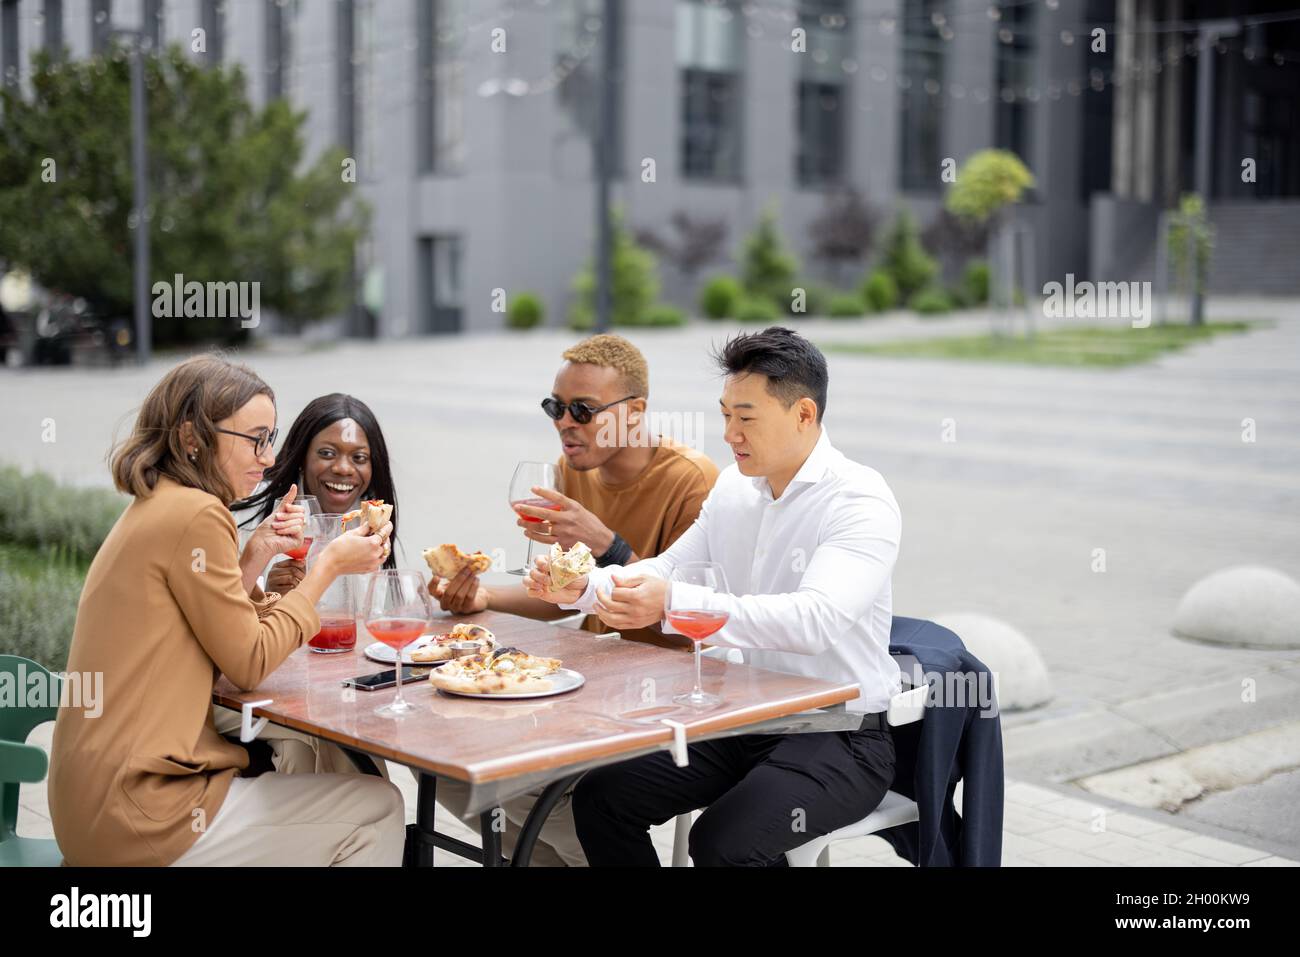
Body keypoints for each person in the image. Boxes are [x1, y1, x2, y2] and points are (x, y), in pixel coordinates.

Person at [526, 327, 902, 867]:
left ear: (803, 414)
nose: (730, 433)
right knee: (602, 798)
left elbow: (812, 621)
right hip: (743, 720)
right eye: (725, 414)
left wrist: (670, 603)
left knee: (722, 841)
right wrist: (581, 587)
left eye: (746, 418)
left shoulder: (859, 499)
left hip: (837, 731)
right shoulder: (733, 488)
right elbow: (664, 571)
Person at [48, 354, 406, 866]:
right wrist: (327, 568)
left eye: (271, 438)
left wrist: (255, 555)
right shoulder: (198, 512)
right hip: (142, 811)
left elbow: (205, 635)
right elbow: (248, 662)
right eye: (256, 439)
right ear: (193, 438)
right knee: (377, 806)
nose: (267, 457)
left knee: (306, 769)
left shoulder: (161, 502)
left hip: (90, 805)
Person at [432, 333, 719, 866]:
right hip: (593, 680)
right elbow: (567, 597)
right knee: (444, 762)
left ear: (634, 412)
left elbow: (687, 618)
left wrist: (607, 545)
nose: (564, 422)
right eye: (555, 407)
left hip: (667, 687)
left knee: (526, 791)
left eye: (582, 410)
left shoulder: (692, 481)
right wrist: (483, 598)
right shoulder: (568, 472)